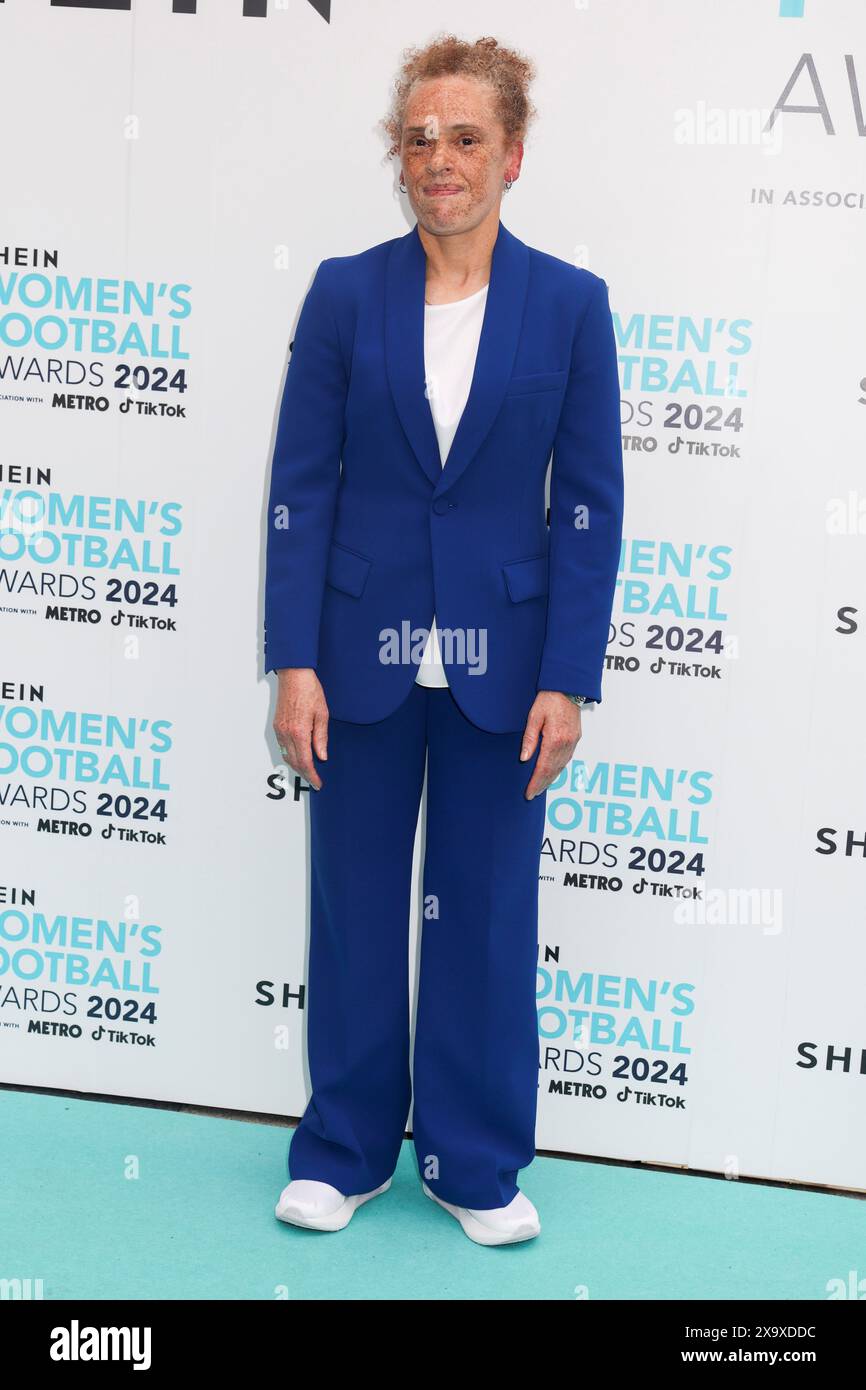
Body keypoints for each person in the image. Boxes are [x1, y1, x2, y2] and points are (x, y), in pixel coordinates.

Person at [264, 34, 623, 1246]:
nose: (439, 159)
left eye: (465, 137)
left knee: (479, 918)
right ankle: (346, 1147)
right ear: (397, 158)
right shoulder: (341, 292)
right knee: (356, 910)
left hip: (504, 668)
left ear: (511, 155)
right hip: (357, 656)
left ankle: (471, 1161)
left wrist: (568, 675)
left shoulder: (571, 307)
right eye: (418, 138)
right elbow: (302, 485)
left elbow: (587, 501)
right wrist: (294, 656)